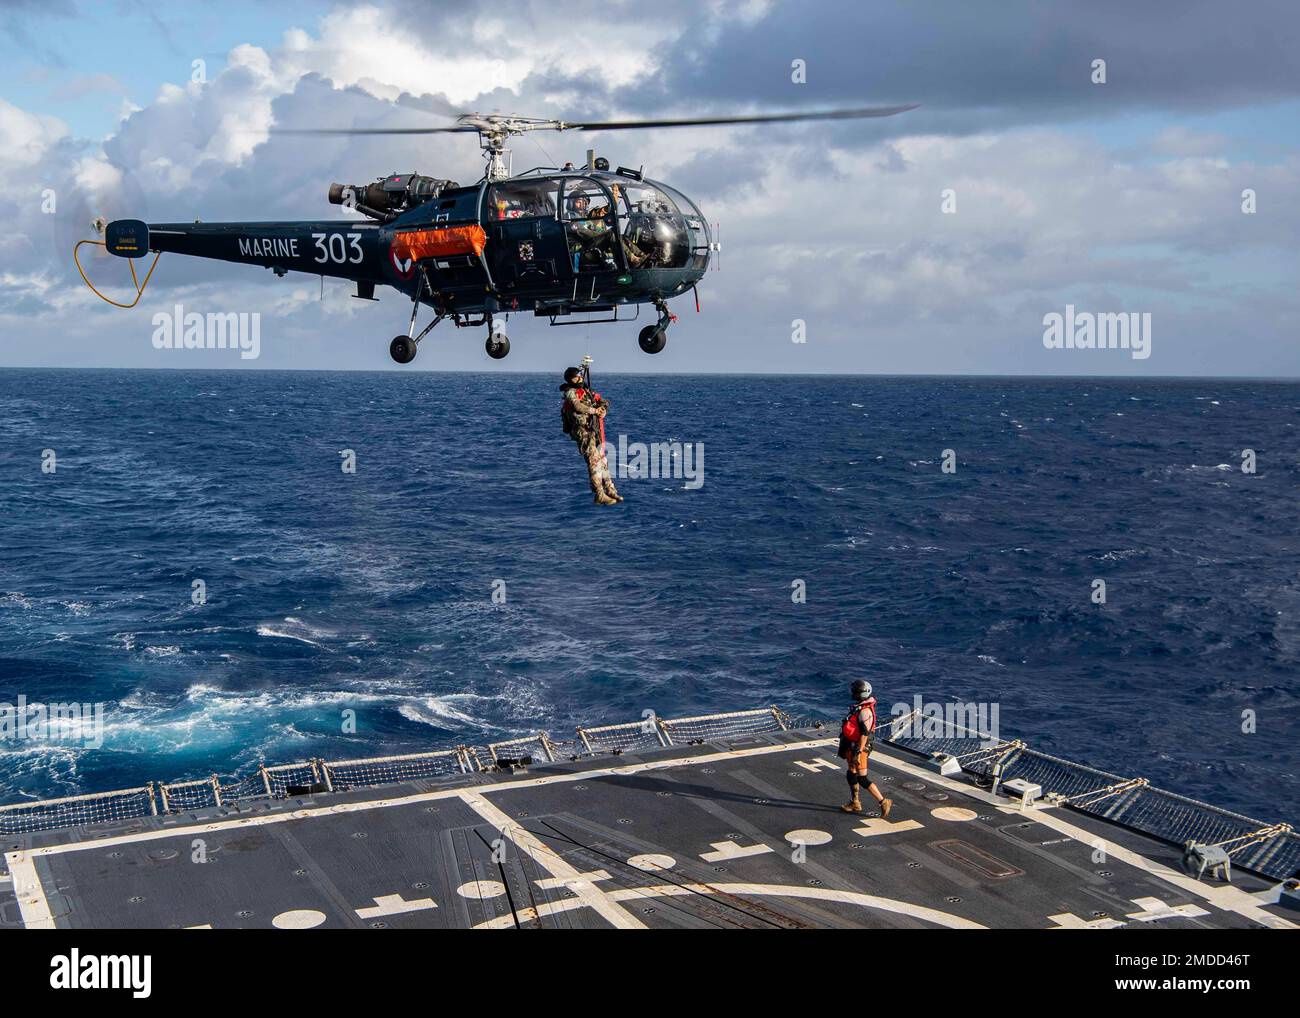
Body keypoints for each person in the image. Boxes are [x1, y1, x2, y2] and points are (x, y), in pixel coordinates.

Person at [560, 366, 622, 505]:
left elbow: (602, 401)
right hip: (583, 432)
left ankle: (610, 489)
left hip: (593, 430)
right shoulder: (570, 393)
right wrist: (594, 410)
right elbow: (577, 406)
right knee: (594, 461)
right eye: (577, 377)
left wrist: (602, 410)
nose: (580, 379)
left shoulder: (587, 392)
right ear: (571, 379)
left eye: (580, 376)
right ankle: (599, 494)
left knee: (602, 461)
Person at [837, 679, 892, 817]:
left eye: (855, 691)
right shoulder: (860, 708)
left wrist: (858, 752)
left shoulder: (864, 712)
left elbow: (865, 734)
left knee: (862, 778)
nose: (853, 693)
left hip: (858, 747)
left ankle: (883, 801)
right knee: (851, 773)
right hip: (852, 745)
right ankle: (855, 802)